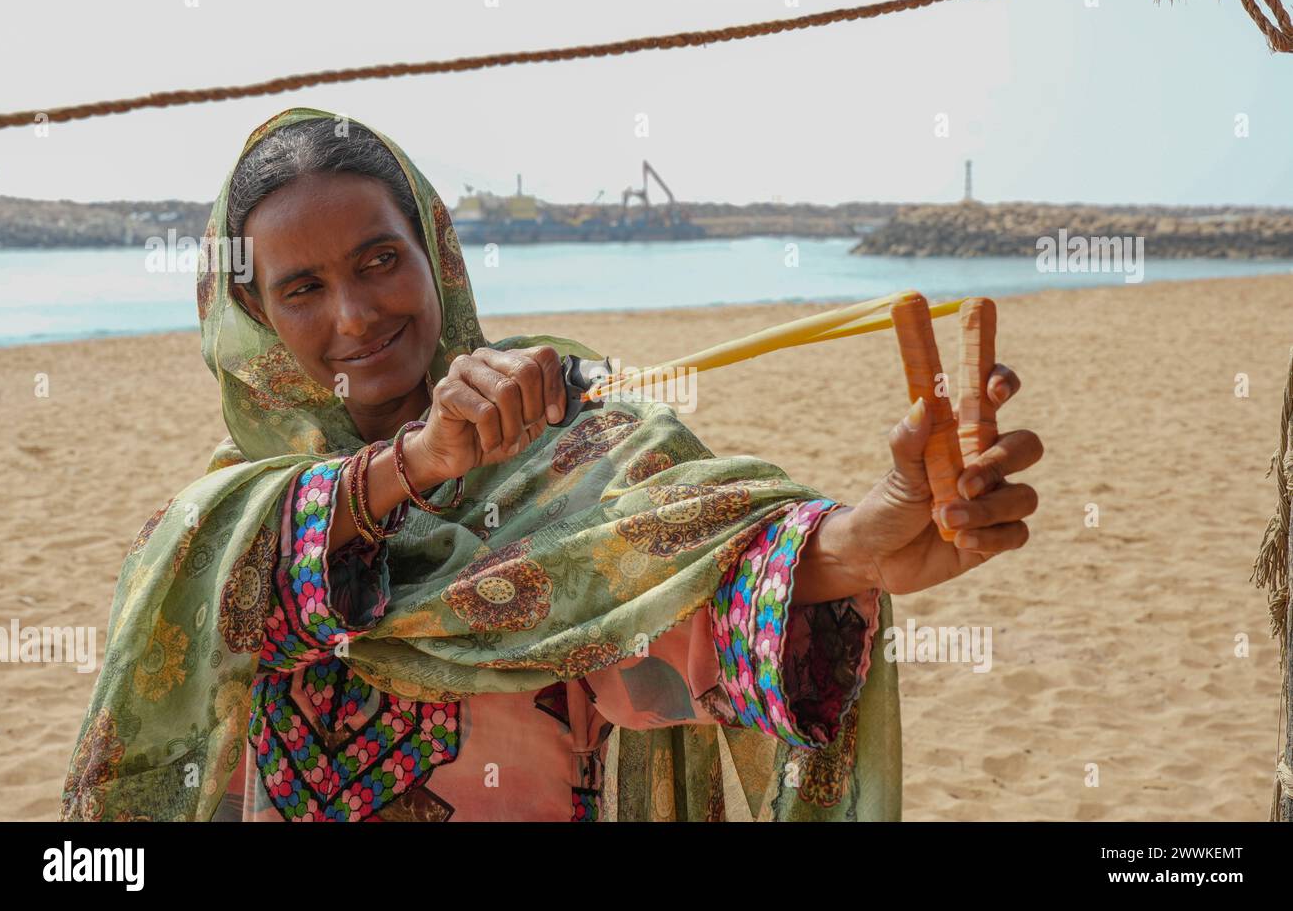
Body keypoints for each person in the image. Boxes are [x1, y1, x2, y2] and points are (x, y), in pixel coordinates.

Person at [61, 108, 1043, 822]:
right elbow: (235, 590)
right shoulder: (223, 522)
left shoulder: (576, 452)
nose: (354, 316)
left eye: (377, 261)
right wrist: (415, 462)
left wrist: (859, 545)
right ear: (255, 321)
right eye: (302, 287)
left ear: (433, 257)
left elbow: (671, 592)